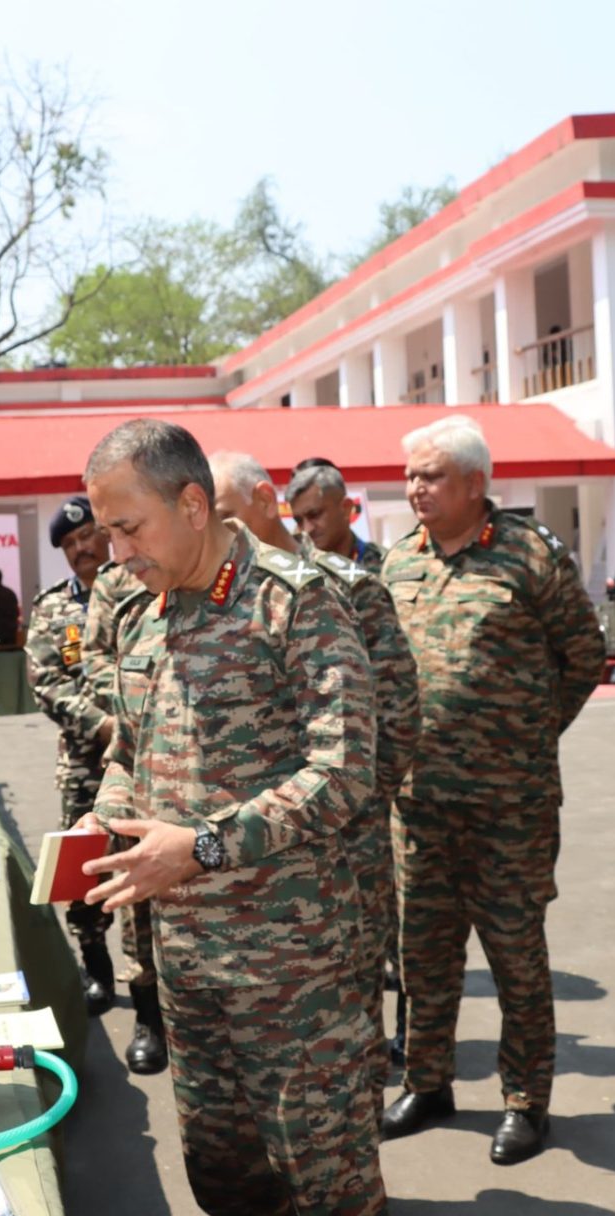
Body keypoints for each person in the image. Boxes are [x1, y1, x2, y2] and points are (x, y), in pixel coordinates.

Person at [81, 419, 396, 1216]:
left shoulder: (293, 602)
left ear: (192, 503)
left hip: (293, 971)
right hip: (189, 966)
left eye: (128, 529)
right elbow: (127, 755)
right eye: (106, 532)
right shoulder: (144, 622)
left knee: (335, 1199)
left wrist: (205, 847)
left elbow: (344, 770)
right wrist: (102, 822)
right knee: (227, 1186)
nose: (115, 554)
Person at [380, 414, 605, 1165]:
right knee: (424, 956)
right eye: (410, 475)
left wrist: (531, 737)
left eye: (431, 475)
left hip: (511, 807)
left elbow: (583, 655)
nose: (416, 488)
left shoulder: (528, 557)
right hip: (420, 806)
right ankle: (428, 1079)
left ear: (477, 484)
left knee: (515, 955)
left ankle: (525, 1101)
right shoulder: (397, 564)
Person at [210, 455, 420, 1087]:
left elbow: (400, 712)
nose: (213, 529)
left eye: (224, 515)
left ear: (262, 499)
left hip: (340, 851)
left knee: (348, 1011)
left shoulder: (342, 585)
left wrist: (350, 807)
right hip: (243, 860)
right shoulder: (209, 596)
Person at [25, 498, 124, 1017]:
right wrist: (105, 726)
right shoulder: (51, 608)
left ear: (104, 533)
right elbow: (46, 683)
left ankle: (151, 984)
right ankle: (96, 967)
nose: (80, 549)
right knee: (84, 870)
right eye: (68, 545)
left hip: (147, 761)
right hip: (86, 761)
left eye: (86, 535)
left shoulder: (142, 589)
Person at [77, 554, 166, 1074]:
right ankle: (147, 1016)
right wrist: (113, 726)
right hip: (131, 772)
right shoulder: (123, 595)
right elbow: (96, 663)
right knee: (136, 903)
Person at [285, 461, 383, 571]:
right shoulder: (294, 571)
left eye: (315, 514)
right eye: (298, 520)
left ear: (346, 508)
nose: (307, 529)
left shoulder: (387, 565)